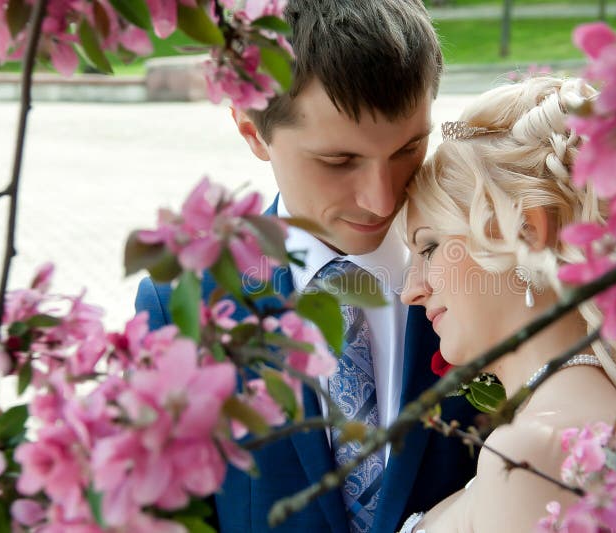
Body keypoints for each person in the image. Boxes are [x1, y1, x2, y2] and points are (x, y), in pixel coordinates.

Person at [135, 1, 477, 532]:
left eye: (411, 147)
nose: (381, 199)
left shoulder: (488, 270)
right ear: (252, 132)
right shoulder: (181, 303)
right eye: (339, 161)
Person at [397, 76, 616, 532]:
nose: (410, 290)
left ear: (527, 231)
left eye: (429, 248)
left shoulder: (534, 448)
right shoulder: (594, 414)